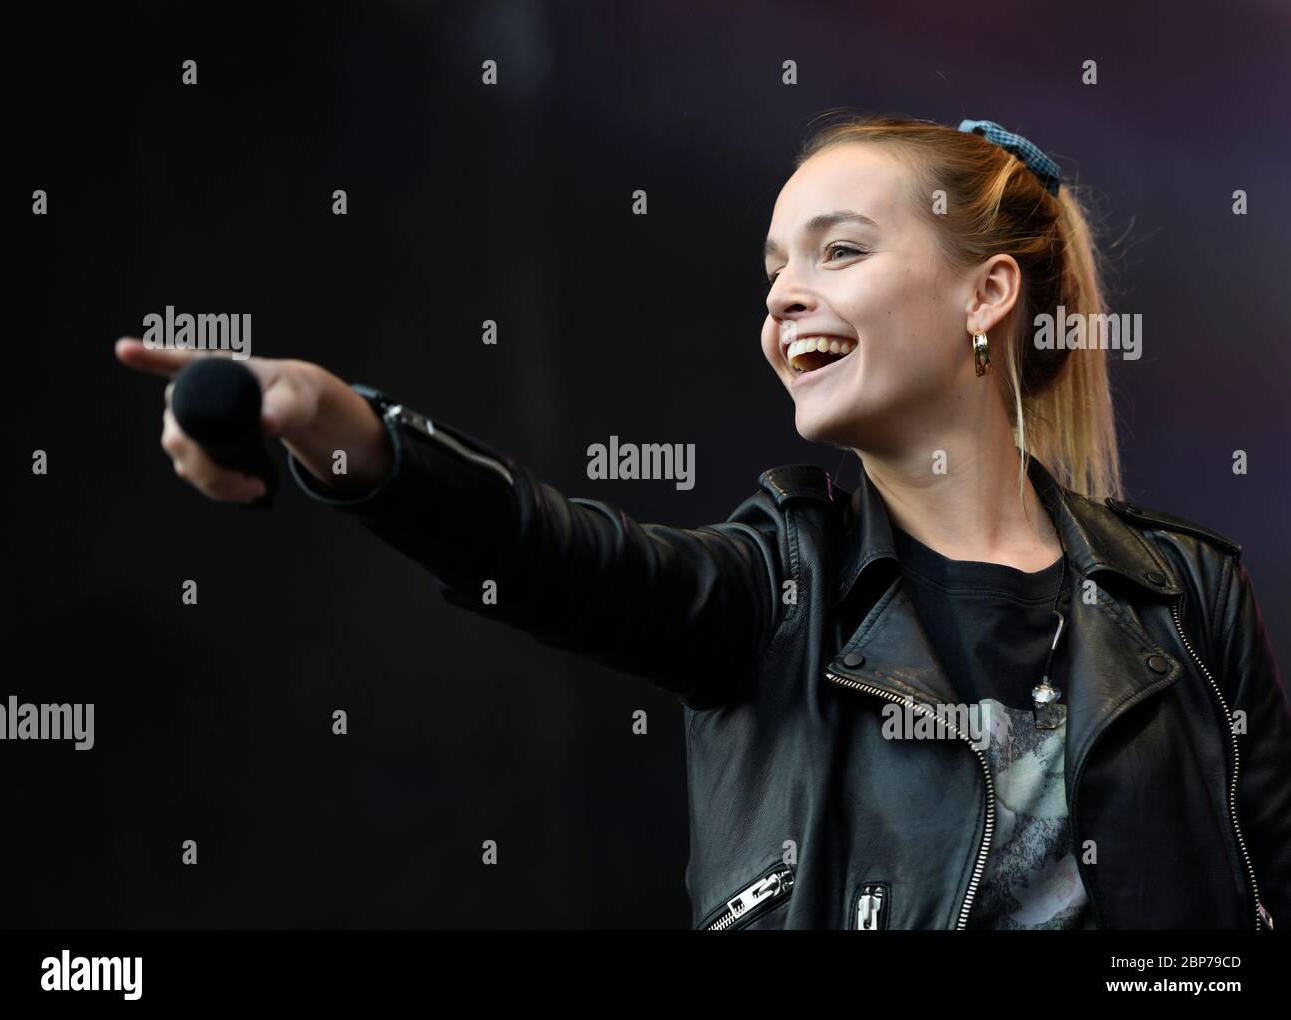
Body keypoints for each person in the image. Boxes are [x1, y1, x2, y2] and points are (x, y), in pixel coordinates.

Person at [115, 114, 1289, 930]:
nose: (783, 295)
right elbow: (540, 551)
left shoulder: (1187, 595)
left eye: (839, 250)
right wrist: (344, 427)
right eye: (772, 267)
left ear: (986, 294)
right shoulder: (775, 591)